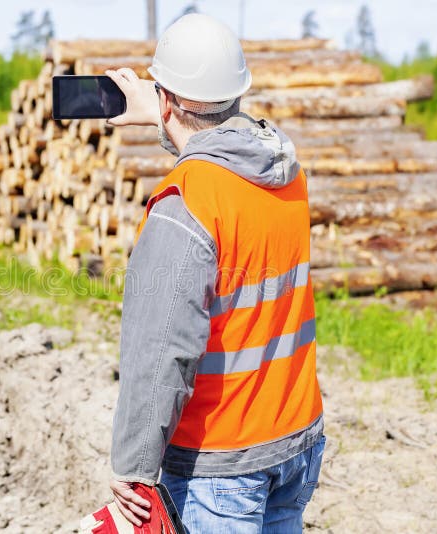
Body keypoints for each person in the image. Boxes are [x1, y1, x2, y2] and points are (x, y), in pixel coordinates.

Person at [104, 13, 325, 534]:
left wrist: (134, 468)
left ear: (166, 98)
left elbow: (161, 350)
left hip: (222, 463)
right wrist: (163, 110)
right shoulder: (283, 172)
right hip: (295, 437)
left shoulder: (186, 204)